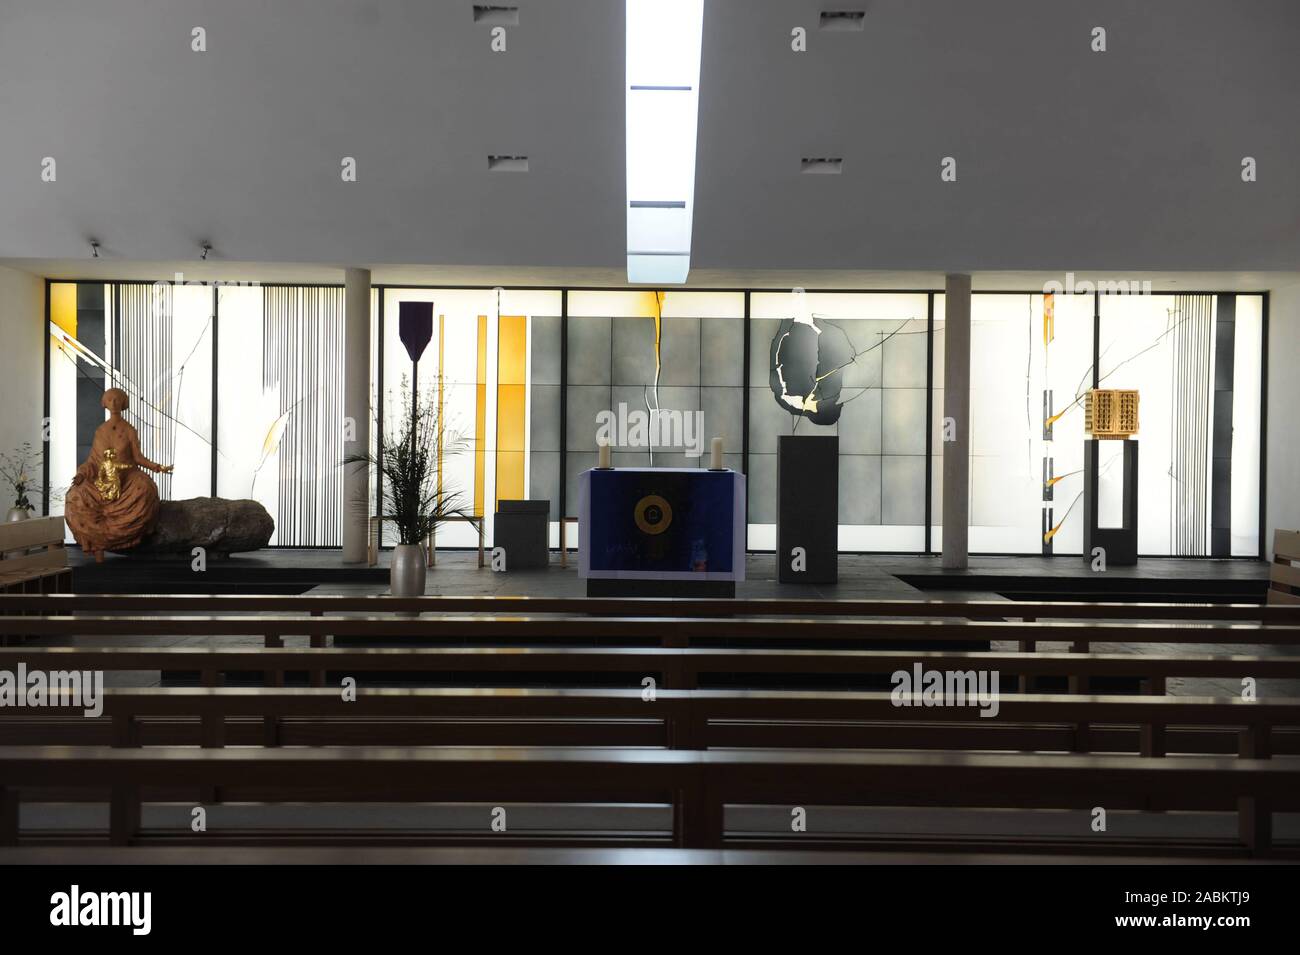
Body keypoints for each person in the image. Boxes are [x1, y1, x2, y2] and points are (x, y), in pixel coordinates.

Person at [64, 388, 173, 562]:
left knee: (144, 488)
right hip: (102, 478)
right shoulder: (100, 431)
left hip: (128, 476)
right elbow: (93, 461)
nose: (114, 403)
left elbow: (138, 458)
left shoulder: (129, 430)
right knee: (76, 494)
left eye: (117, 400)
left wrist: (158, 467)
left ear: (124, 403)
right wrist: (82, 474)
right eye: (110, 399)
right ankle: (97, 544)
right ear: (104, 403)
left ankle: (129, 538)